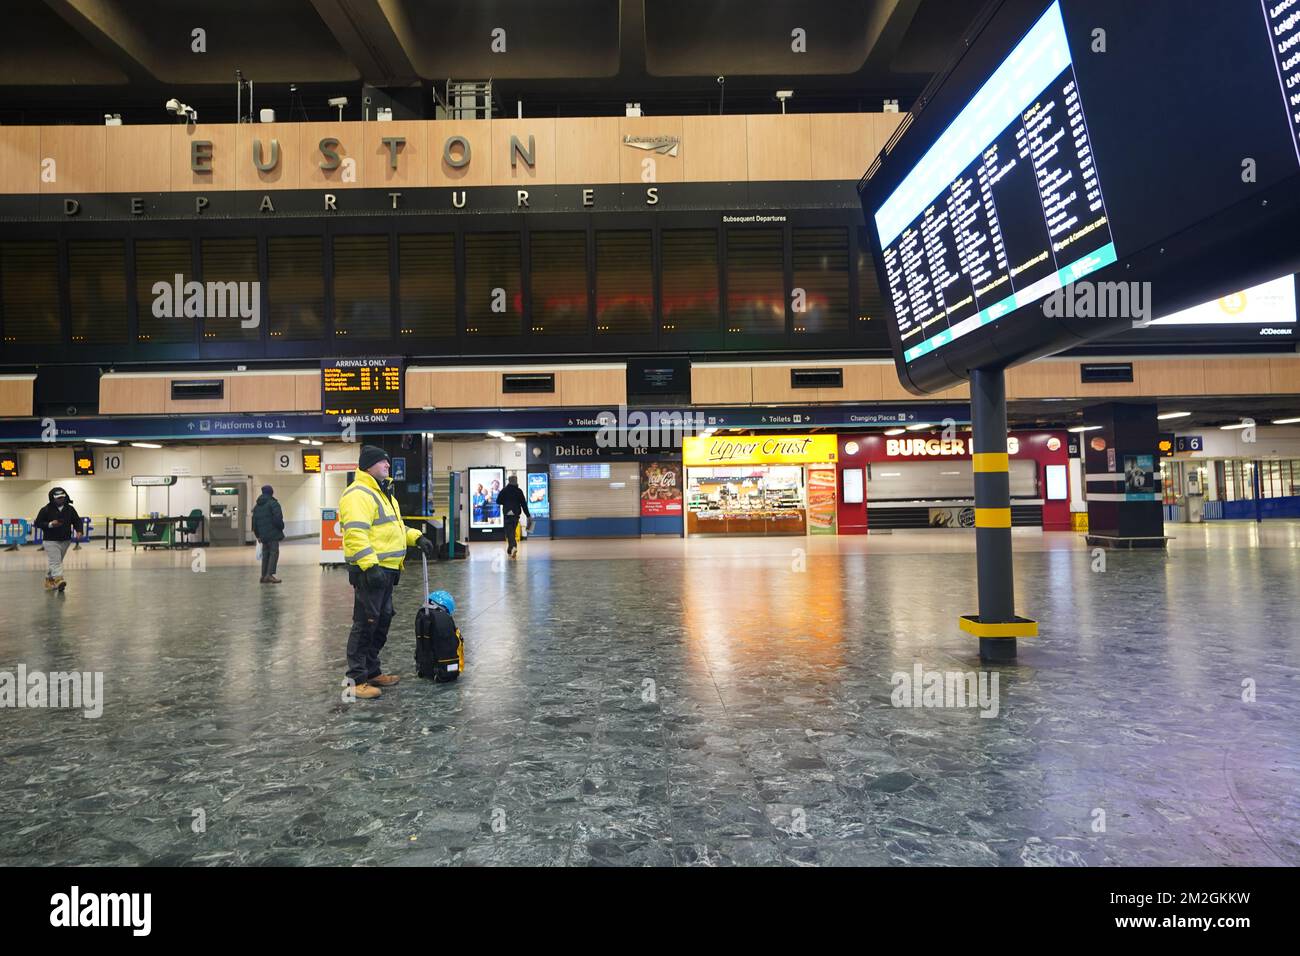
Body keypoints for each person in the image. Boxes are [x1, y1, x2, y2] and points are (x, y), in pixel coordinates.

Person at [340, 445, 435, 700]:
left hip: (388, 571)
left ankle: (372, 671)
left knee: (381, 622)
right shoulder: (358, 494)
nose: (388, 466)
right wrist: (370, 566)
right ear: (369, 465)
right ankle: (356, 680)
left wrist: (416, 538)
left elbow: (395, 529)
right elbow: (356, 534)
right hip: (371, 571)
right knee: (365, 623)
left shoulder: (384, 493)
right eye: (383, 462)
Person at [33, 487, 84, 593]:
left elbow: (77, 521)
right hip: (50, 541)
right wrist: (50, 524)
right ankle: (59, 580)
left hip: (65, 540)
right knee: (55, 561)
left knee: (57, 561)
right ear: (53, 498)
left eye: (62, 497)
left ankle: (49, 579)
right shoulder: (45, 509)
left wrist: (79, 530)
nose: (61, 499)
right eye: (58, 498)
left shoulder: (70, 509)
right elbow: (37, 523)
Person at [251, 484, 285, 584]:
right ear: (271, 492)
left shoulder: (257, 506)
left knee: (265, 554)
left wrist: (258, 535)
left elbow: (254, 522)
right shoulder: (273, 503)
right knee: (274, 553)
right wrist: (281, 527)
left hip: (263, 535)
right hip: (273, 534)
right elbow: (278, 518)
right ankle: (269, 575)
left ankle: (263, 575)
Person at [496, 474, 531, 558]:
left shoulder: (504, 490)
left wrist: (505, 502)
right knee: (511, 532)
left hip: (507, 514)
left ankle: (513, 547)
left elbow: (498, 501)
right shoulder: (519, 491)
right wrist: (528, 515)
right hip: (516, 514)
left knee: (509, 533)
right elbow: (523, 504)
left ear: (509, 481)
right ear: (516, 481)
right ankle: (510, 548)